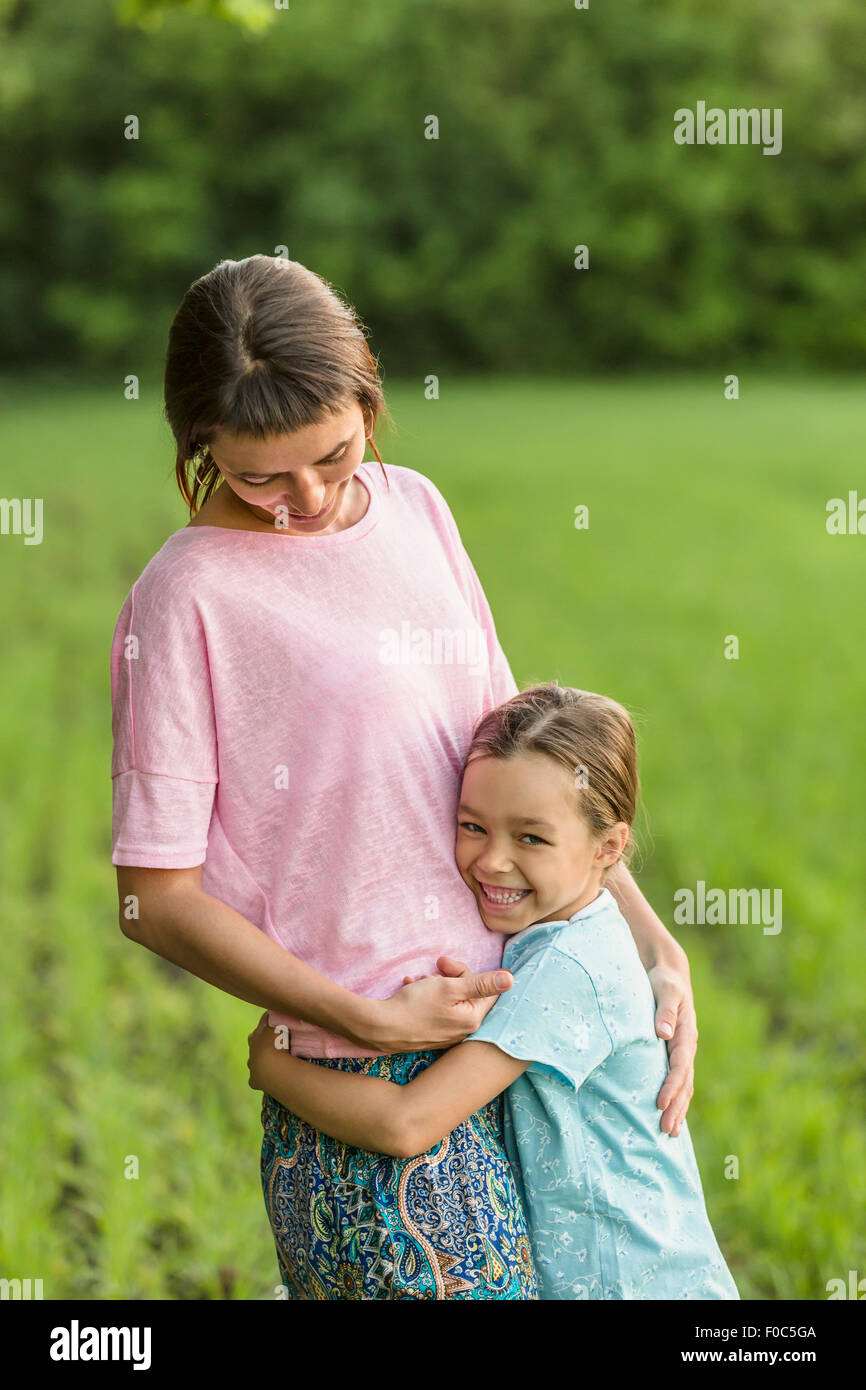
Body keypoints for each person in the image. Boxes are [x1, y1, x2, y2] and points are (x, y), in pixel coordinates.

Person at [111, 253, 698, 1300]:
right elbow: (152, 900)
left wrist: (650, 946)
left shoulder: (416, 509)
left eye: (334, 454)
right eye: (259, 474)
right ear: (198, 444)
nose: (307, 499)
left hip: (503, 1055)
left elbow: (540, 772)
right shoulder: (186, 598)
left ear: (368, 392)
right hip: (362, 1086)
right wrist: (364, 1019)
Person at [248, 684, 737, 1300]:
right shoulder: (558, 934)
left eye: (531, 838)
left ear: (608, 849)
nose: (493, 862)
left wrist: (270, 1066)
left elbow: (408, 1124)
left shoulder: (572, 966)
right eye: (473, 826)